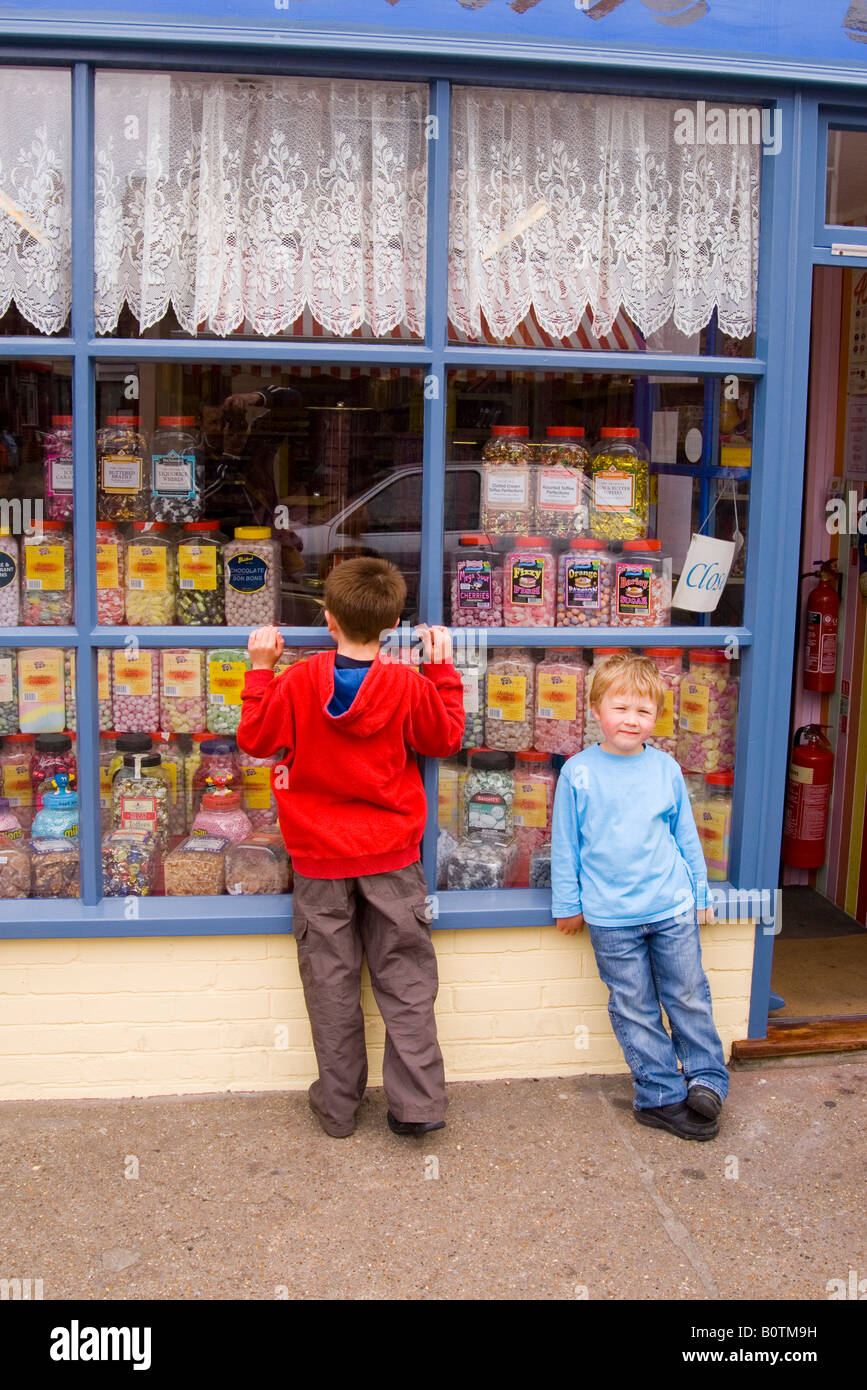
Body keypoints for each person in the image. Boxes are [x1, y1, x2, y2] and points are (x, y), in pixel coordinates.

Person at [237, 557, 465, 1139]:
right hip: (392, 857)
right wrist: (441, 669)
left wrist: (260, 670)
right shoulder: (409, 684)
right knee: (406, 981)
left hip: (318, 862)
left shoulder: (295, 683)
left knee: (330, 984)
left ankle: (338, 1109)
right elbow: (443, 738)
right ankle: (417, 1106)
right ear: (391, 625)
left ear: (328, 618)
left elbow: (257, 740)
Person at [550, 652, 729, 1141]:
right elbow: (566, 843)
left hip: (671, 907)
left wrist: (699, 893)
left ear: (657, 717)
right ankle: (659, 1093)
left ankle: (706, 1080)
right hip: (611, 917)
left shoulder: (666, 769)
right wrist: (568, 905)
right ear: (595, 709)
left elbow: (686, 837)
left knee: (688, 996)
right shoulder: (578, 772)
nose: (631, 720)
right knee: (634, 1006)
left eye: (643, 711)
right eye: (620, 708)